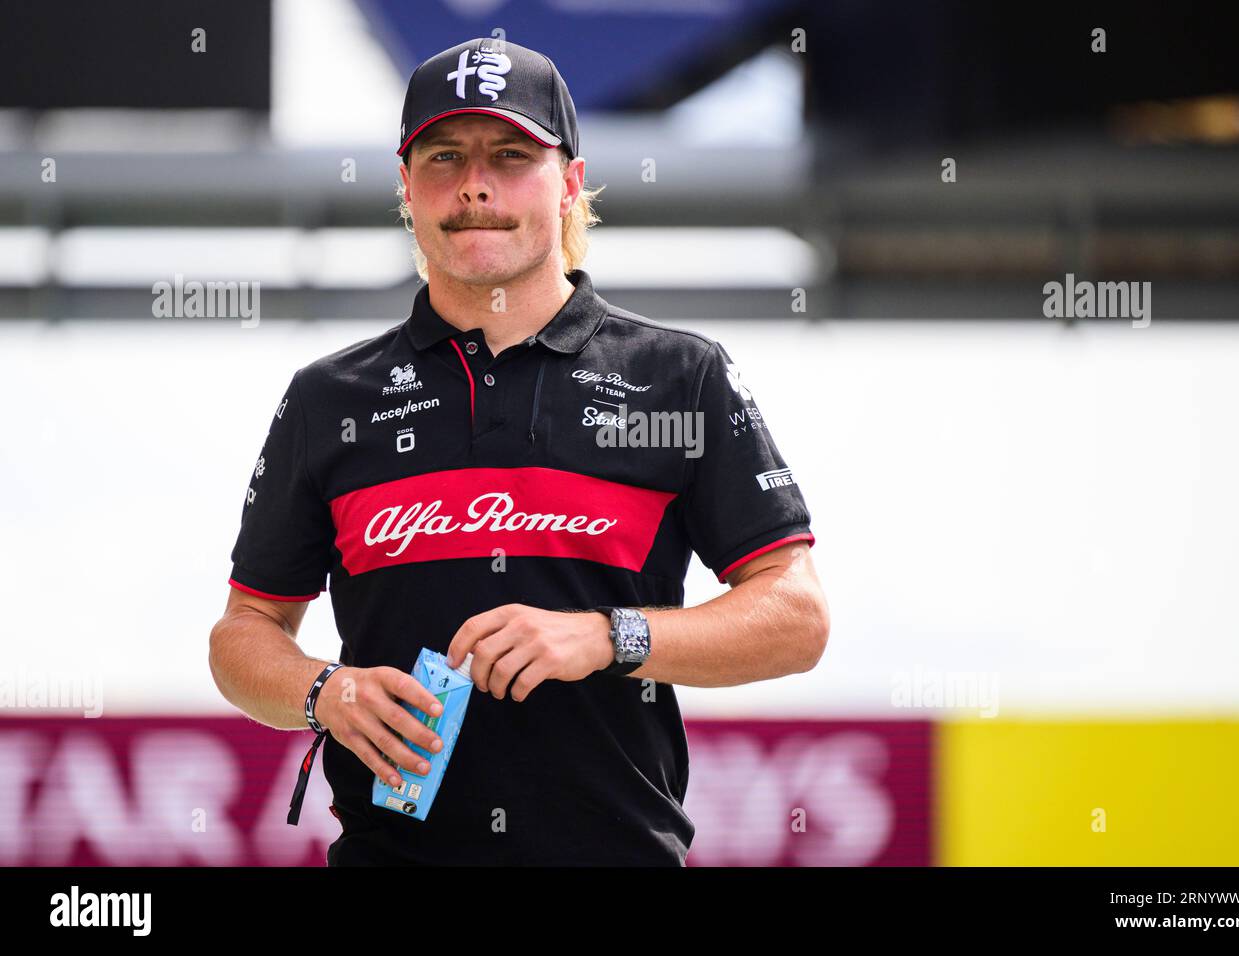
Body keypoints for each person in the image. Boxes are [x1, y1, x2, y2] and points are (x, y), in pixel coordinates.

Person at [208, 36, 829, 865]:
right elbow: (244, 631)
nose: (475, 184)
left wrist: (607, 637)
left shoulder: (680, 377)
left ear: (569, 182)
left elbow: (797, 616)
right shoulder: (330, 398)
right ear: (406, 186)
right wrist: (325, 690)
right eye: (444, 156)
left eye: (510, 155)